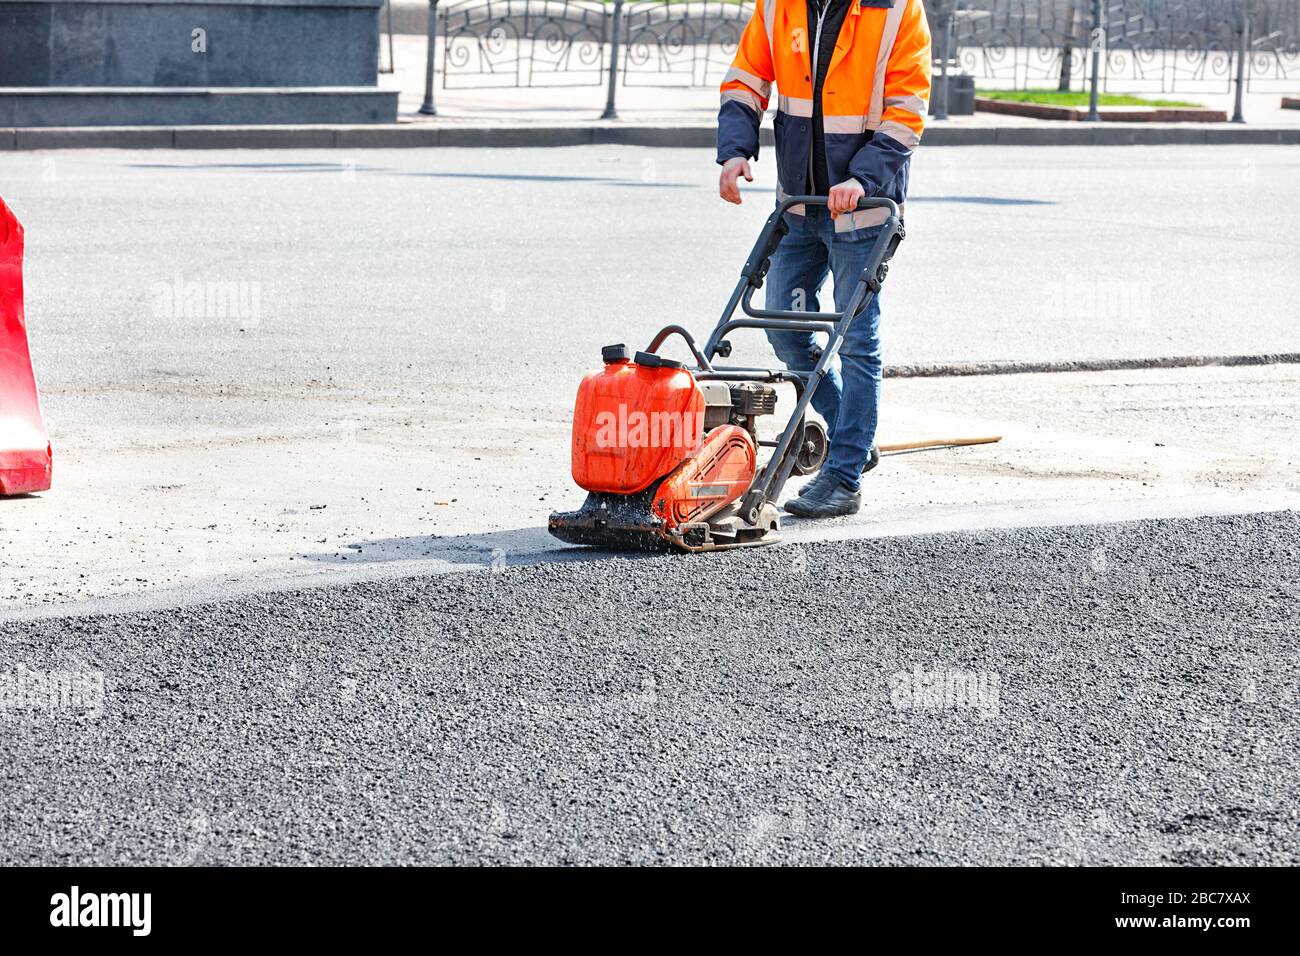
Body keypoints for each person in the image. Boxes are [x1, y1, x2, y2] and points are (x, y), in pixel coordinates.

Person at [716, 0, 931, 517]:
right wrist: (735, 150)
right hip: (799, 205)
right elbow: (746, 80)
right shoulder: (778, 6)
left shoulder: (897, 10)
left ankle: (844, 475)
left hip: (862, 211)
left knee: (857, 341)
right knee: (785, 326)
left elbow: (908, 108)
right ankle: (852, 436)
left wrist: (863, 177)